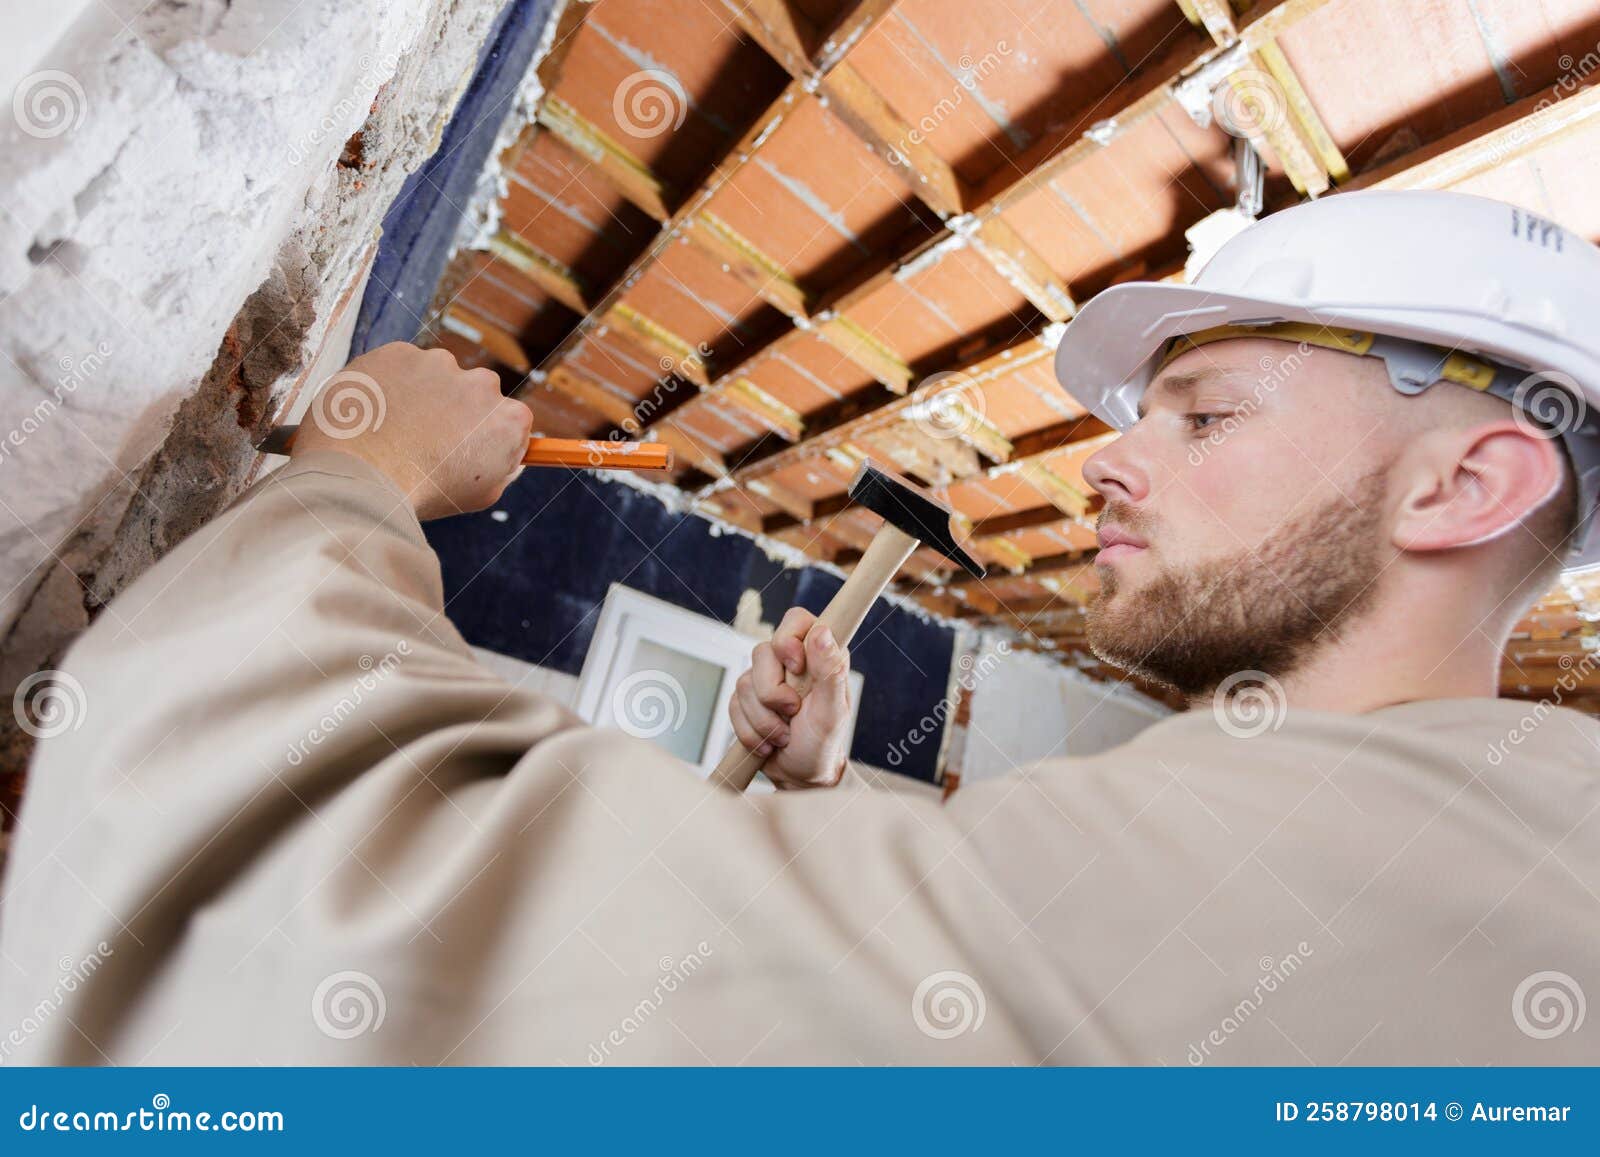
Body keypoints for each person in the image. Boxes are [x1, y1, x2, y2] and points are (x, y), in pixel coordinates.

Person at [1, 190, 1595, 1065]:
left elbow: (342, 939)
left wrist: (360, 479)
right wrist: (823, 800)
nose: (1107, 464)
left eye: (1205, 414)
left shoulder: (1372, 878)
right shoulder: (1457, 863)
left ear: (1468, 482)